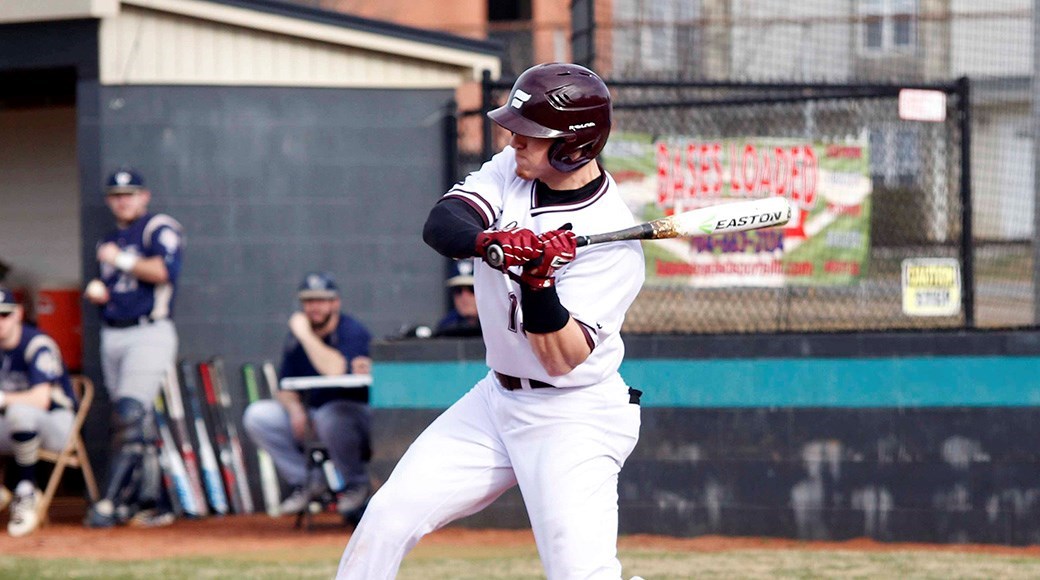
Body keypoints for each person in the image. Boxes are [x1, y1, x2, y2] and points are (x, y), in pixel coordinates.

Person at [338, 62, 646, 579]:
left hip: (572, 416)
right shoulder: (510, 169)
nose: (514, 140)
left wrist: (539, 282)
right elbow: (443, 223)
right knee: (388, 517)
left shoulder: (614, 241)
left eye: (531, 134)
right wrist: (491, 242)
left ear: (575, 145)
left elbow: (561, 359)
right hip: (495, 401)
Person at [83, 167, 184, 528]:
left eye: (130, 193)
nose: (123, 200)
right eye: (116, 195)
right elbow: (119, 288)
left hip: (148, 332)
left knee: (129, 413)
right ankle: (147, 500)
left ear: (144, 196)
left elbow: (163, 272)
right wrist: (100, 293)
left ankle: (108, 503)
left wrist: (119, 259)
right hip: (113, 333)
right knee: (130, 424)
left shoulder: (159, 228)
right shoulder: (110, 239)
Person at [243, 271, 374, 520]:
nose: (313, 307)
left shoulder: (352, 330)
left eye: (321, 300)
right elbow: (284, 387)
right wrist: (295, 410)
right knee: (258, 415)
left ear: (335, 303)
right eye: (308, 301)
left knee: (330, 416)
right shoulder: (295, 339)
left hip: (355, 418)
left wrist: (306, 335)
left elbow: (335, 370)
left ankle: (356, 483)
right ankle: (308, 482)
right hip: (312, 414)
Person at [0, 287, 77, 537]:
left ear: (18, 314)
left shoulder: (37, 343)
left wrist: (3, 398)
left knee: (20, 411)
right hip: (16, 428)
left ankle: (26, 490)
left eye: (4, 314)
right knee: (16, 413)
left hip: (58, 426)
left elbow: (40, 400)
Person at [433, 259, 481, 337]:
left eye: (471, 289)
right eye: (458, 290)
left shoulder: (498, 322)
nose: (464, 297)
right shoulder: (447, 327)